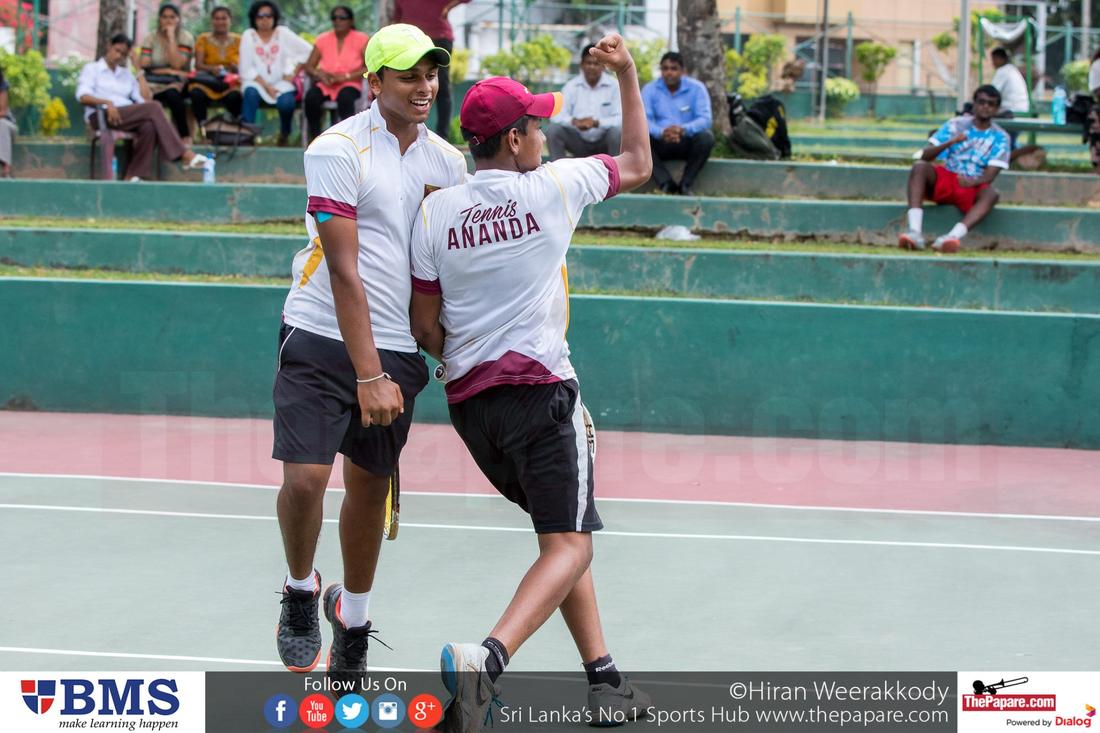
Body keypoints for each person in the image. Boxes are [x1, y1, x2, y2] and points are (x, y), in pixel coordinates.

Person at [409, 33, 652, 733]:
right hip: (544, 396)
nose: (544, 132)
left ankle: (604, 681)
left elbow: (427, 326)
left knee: (561, 538)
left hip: (470, 409)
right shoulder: (554, 186)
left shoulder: (437, 210)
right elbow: (638, 161)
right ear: (514, 140)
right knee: (572, 544)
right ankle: (484, 660)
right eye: (536, 124)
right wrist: (628, 71)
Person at [272, 23, 465, 680]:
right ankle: (301, 589)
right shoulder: (336, 149)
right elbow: (342, 268)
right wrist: (369, 373)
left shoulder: (448, 162)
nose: (424, 86)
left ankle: (353, 620)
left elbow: (442, 268)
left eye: (431, 73)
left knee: (369, 486)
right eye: (408, 74)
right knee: (304, 481)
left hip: (397, 351)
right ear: (374, 81)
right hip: (321, 333)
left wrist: (440, 351)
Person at [76, 33, 209, 181]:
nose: (118, 56)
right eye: (117, 50)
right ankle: (184, 154)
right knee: (154, 108)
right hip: (101, 115)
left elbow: (146, 99)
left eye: (123, 54)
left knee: (149, 126)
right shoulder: (92, 69)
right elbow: (83, 96)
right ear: (109, 46)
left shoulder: (126, 75)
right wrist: (107, 103)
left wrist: (138, 69)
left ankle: (133, 175)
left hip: (125, 115)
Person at [899, 85, 1009, 254]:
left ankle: (951, 237)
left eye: (991, 104)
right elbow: (924, 155)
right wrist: (951, 142)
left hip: (972, 185)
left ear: (997, 109)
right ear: (974, 104)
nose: (985, 106)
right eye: (981, 102)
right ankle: (915, 233)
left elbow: (990, 175)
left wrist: (972, 181)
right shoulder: (955, 125)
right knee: (920, 167)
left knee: (992, 194)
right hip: (948, 177)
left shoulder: (1001, 137)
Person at [393, 0, 470, 139]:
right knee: (408, 83)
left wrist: (448, 7)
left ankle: (442, 136)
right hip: (409, 40)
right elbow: (397, 17)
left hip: (438, 36)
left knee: (441, 85)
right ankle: (407, 133)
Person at [239, 0, 311, 146]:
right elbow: (246, 68)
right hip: (257, 82)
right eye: (260, 16)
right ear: (254, 18)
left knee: (286, 103)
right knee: (250, 93)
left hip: (282, 83)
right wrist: (267, 87)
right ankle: (247, 138)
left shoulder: (283, 33)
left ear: (275, 17)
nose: (265, 19)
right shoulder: (248, 35)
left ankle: (284, 135)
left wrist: (294, 71)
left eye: (268, 15)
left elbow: (308, 50)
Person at [641, 51, 714, 196]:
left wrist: (682, 130)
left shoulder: (697, 88)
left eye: (673, 68)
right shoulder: (650, 89)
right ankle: (666, 184)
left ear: (683, 71)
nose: (669, 73)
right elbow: (643, 121)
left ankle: (685, 185)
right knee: (640, 140)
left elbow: (705, 119)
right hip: (660, 140)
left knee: (706, 138)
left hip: (686, 139)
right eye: (665, 68)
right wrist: (662, 132)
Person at [302, 5, 369, 143]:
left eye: (342, 18)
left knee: (345, 98)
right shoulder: (322, 39)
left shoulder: (361, 39)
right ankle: (315, 139)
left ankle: (346, 140)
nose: (338, 21)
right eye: (334, 18)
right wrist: (320, 75)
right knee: (311, 98)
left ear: (351, 21)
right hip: (327, 83)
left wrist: (346, 77)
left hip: (351, 82)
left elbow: (369, 66)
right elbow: (309, 66)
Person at [546, 43, 622, 160]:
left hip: (605, 142)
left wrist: (596, 123)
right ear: (582, 65)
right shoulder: (570, 87)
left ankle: (617, 175)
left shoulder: (614, 86)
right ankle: (558, 175)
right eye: (588, 63)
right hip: (578, 141)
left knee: (617, 132)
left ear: (603, 66)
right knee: (553, 130)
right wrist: (574, 122)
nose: (591, 67)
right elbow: (556, 116)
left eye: (596, 63)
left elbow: (620, 119)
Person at [138, 3, 194, 143]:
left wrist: (171, 38)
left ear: (178, 19)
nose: (168, 21)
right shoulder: (150, 37)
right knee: (141, 94)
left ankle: (184, 137)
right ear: (159, 19)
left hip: (179, 83)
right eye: (164, 17)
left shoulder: (185, 37)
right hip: (154, 81)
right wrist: (168, 70)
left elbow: (178, 64)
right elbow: (144, 64)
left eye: (172, 17)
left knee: (173, 95)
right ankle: (148, 137)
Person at [190, 5, 243, 126]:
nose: (220, 22)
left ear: (230, 20)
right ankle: (204, 131)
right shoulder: (203, 39)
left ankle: (234, 131)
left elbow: (245, 65)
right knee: (196, 93)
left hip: (230, 83)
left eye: (224, 18)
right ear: (212, 21)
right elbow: (198, 65)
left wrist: (235, 69)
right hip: (207, 81)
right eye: (217, 18)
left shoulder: (239, 40)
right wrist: (212, 69)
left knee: (235, 96)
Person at [989, 48, 1029, 116]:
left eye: (994, 59)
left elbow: (991, 92)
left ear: (1001, 59)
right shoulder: (1011, 70)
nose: (993, 63)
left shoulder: (1003, 71)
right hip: (1021, 109)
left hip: (1012, 111)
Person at [0, 63, 15, 178]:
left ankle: (5, 169)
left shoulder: (2, 83)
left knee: (1, 125)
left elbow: (2, 111)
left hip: (5, 123)